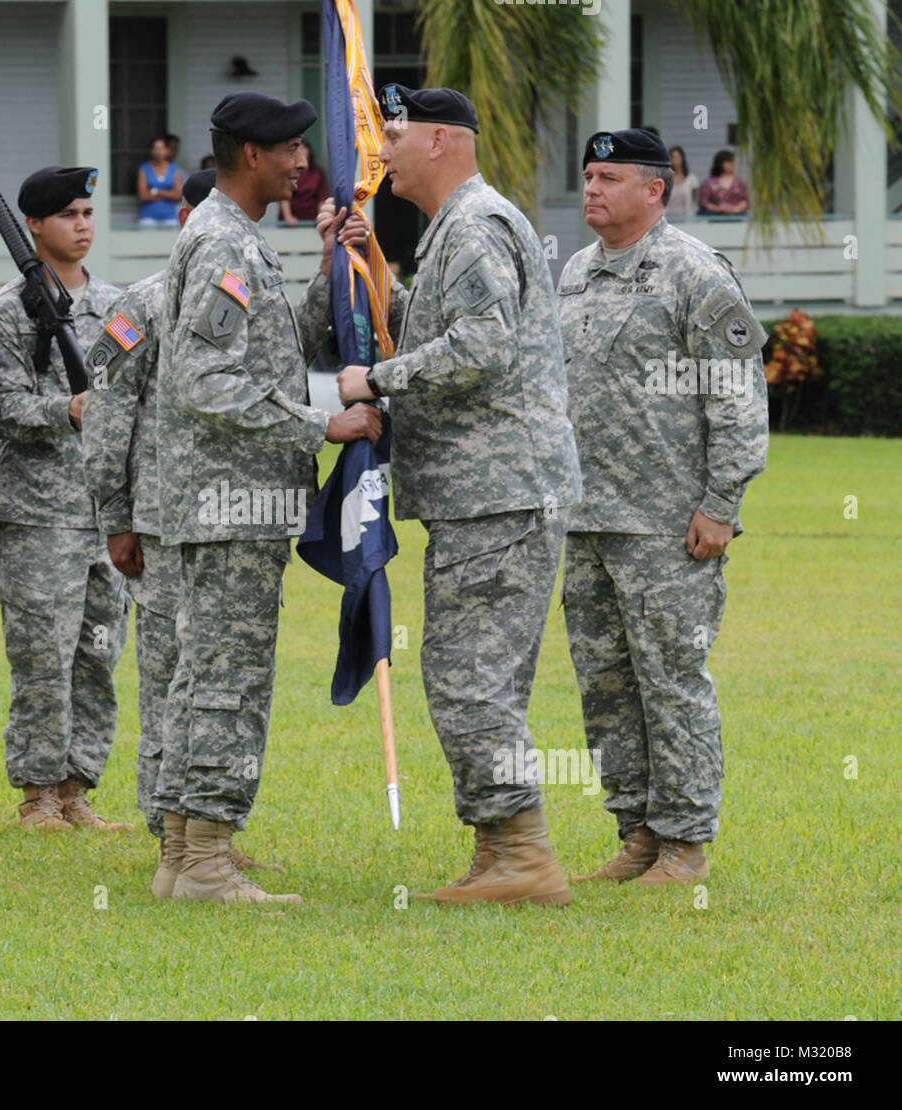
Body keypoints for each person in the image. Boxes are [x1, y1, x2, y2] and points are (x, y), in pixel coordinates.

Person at [333, 84, 583, 907]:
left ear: (441, 141)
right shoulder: (459, 228)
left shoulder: (475, 225)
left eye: (395, 133)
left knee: (468, 676)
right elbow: (447, 324)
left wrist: (378, 378)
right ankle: (498, 847)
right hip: (488, 495)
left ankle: (524, 855)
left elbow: (481, 347)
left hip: (498, 495)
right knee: (483, 677)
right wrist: (371, 270)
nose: (384, 148)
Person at [155, 91, 382, 905]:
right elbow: (203, 377)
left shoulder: (235, 236)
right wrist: (322, 426)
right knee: (228, 679)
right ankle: (207, 862)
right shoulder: (221, 240)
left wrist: (333, 263)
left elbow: (278, 345)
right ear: (251, 155)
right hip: (229, 501)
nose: (302, 163)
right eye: (289, 149)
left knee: (202, 674)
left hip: (231, 499)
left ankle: (183, 854)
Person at [558, 129, 768, 884]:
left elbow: (739, 396)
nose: (592, 189)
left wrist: (720, 502)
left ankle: (684, 843)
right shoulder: (577, 272)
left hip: (667, 523)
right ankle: (638, 833)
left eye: (609, 177)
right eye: (587, 175)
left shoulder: (692, 272)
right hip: (586, 520)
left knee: (671, 680)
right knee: (606, 685)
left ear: (656, 188)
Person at [81, 168, 290, 890]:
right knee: (175, 674)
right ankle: (171, 838)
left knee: (196, 673)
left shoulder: (245, 286)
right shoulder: (140, 306)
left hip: (215, 509)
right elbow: (107, 415)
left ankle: (197, 841)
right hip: (163, 520)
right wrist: (113, 517)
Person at [0, 164, 132, 832]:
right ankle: (38, 794)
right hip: (39, 512)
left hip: (104, 511)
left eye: (88, 213)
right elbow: (1, 408)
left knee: (98, 655)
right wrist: (66, 411)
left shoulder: (116, 304)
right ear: (35, 226)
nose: (82, 225)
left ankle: (77, 789)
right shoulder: (9, 310)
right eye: (69, 214)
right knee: (43, 655)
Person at [279, 139, 328, 226]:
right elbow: (284, 196)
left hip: (311, 221)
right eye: (296, 149)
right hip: (290, 223)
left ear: (309, 151)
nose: (301, 152)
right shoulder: (289, 171)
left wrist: (321, 217)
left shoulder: (317, 172)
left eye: (303, 148)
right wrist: (288, 217)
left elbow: (322, 197)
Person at [137, 137, 183, 228]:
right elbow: (143, 196)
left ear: (167, 151)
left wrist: (156, 192)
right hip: (148, 217)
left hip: (170, 217)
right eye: (156, 148)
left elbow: (178, 195)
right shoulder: (144, 169)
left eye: (161, 148)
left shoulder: (175, 169)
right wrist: (169, 194)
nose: (159, 152)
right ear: (151, 151)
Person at [697, 149, 749, 216]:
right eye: (730, 162)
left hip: (736, 220)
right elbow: (703, 202)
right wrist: (719, 209)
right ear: (721, 164)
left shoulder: (739, 183)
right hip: (715, 219)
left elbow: (745, 201)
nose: (733, 164)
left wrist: (735, 209)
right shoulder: (709, 183)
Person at [665, 146, 698, 221]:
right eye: (672, 157)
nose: (675, 160)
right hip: (669, 219)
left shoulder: (691, 179)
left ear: (682, 158)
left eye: (677, 157)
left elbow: (693, 199)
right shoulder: (666, 179)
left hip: (686, 220)